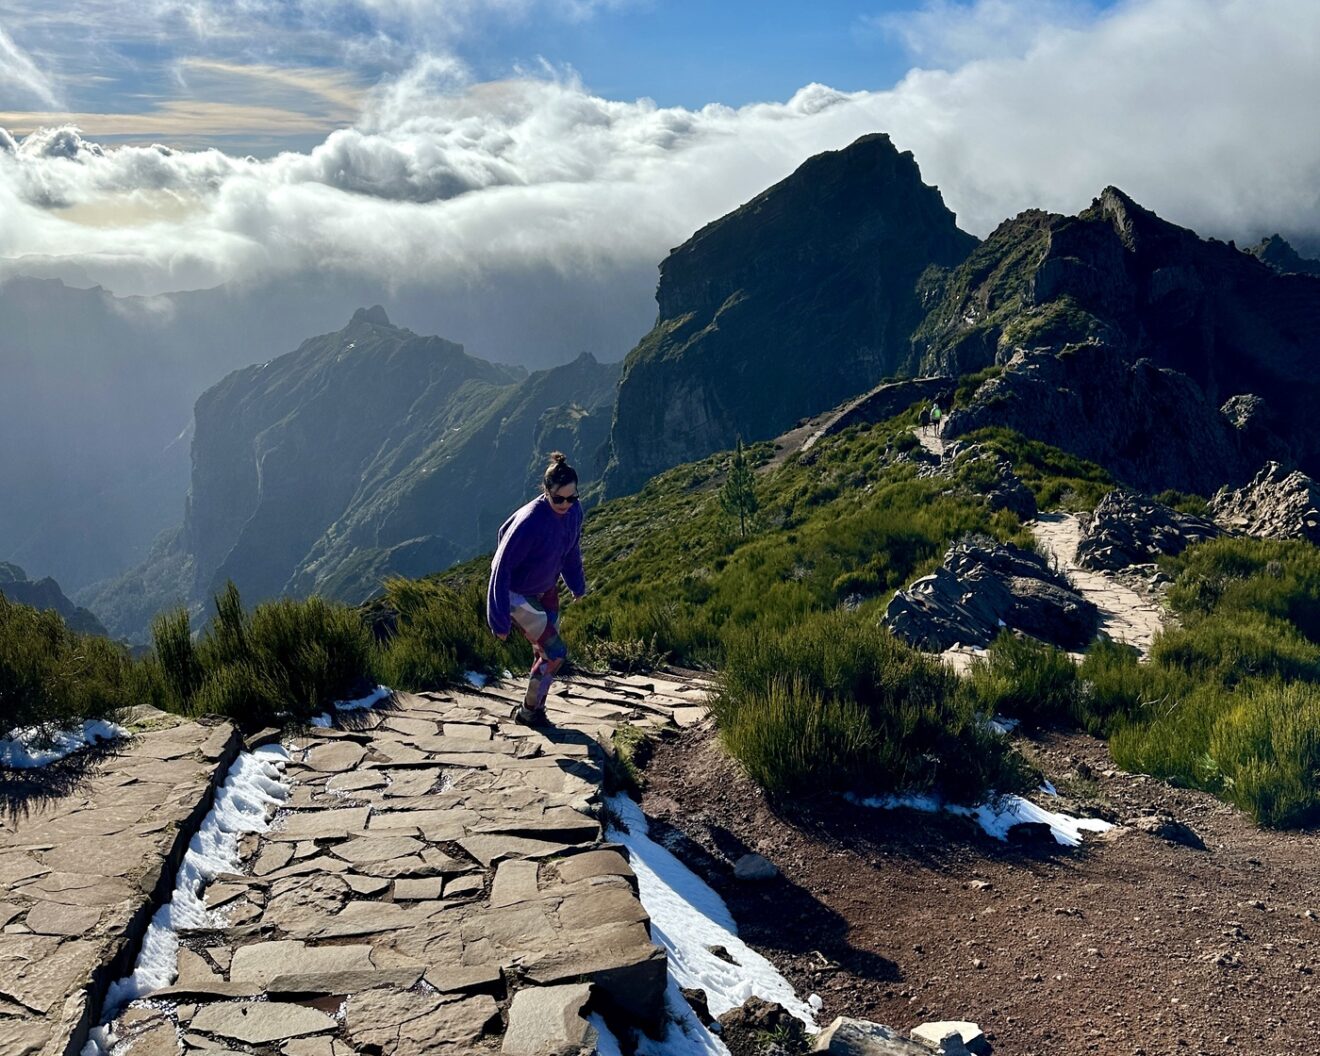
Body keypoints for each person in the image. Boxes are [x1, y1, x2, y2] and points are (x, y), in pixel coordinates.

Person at [486, 452, 587, 724]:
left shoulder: (574, 512)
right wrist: (499, 621)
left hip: (547, 591)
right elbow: (501, 567)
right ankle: (530, 712)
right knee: (555, 654)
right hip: (518, 595)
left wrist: (577, 585)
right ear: (546, 492)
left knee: (544, 654)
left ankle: (535, 710)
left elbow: (570, 550)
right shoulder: (530, 522)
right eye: (559, 499)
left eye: (572, 497)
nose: (566, 504)